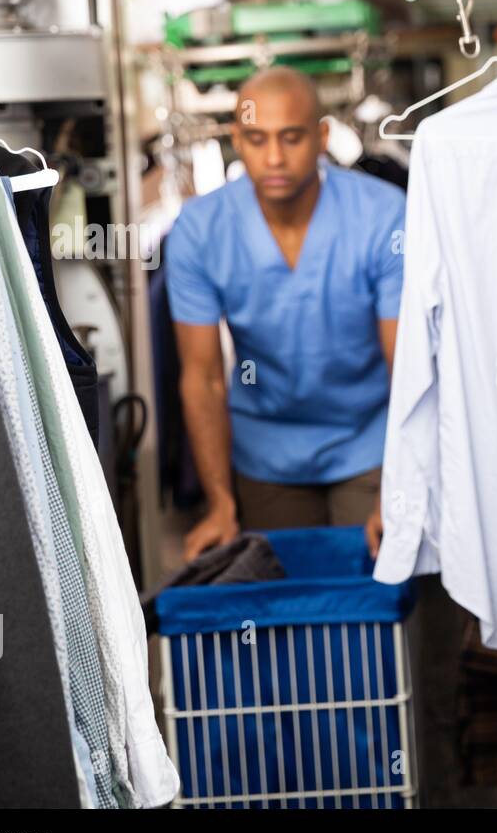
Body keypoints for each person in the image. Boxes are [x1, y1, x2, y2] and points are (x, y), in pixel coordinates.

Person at [166, 66, 405, 560]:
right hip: (266, 454)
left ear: (321, 138)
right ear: (237, 138)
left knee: (377, 605)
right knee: (288, 612)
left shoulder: (383, 215)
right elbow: (203, 377)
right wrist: (219, 502)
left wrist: (405, 484)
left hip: (371, 444)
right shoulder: (200, 229)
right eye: (256, 139)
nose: (273, 158)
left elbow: (405, 365)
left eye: (291, 138)